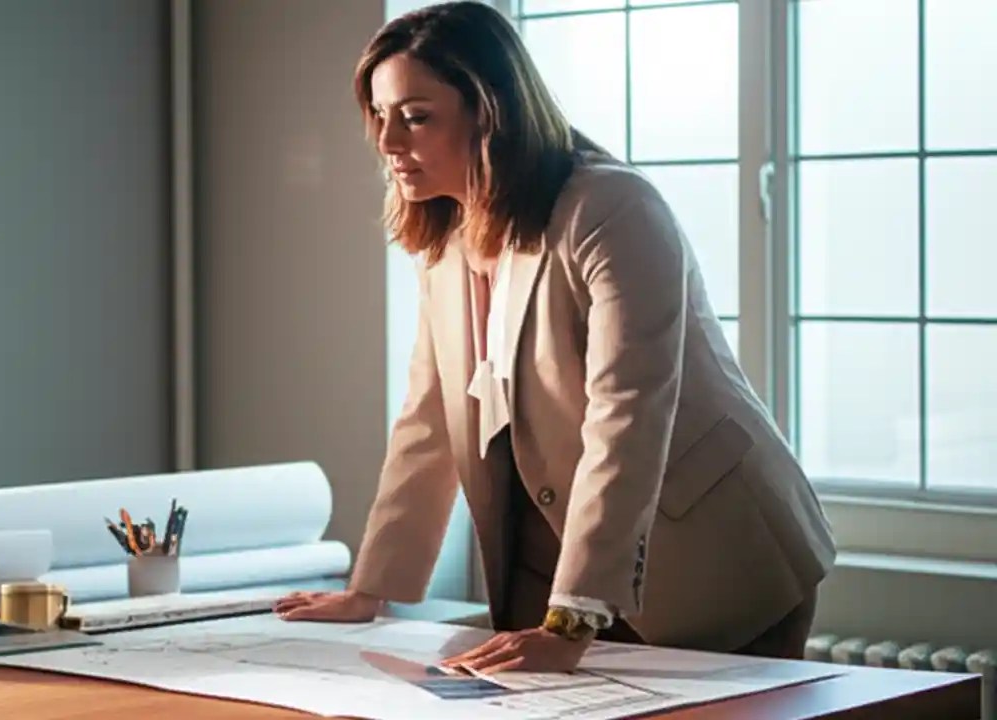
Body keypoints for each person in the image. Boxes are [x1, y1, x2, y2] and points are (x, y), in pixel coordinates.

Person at [273, 0, 836, 674]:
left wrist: (572, 617)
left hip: (714, 556)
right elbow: (429, 418)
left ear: (490, 110)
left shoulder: (611, 209)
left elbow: (627, 415)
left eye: (416, 117)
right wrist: (372, 590)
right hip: (566, 567)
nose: (389, 143)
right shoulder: (447, 234)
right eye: (381, 116)